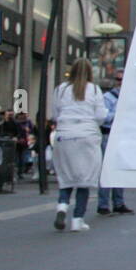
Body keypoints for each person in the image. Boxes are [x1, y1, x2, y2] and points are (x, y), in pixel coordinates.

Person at [50, 58, 107, 232]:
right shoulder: (95, 90)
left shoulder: (61, 89)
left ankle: (62, 206)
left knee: (66, 178)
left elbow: (55, 114)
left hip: (64, 135)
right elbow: (100, 116)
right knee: (85, 180)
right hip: (87, 135)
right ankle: (77, 219)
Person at [97, 70, 132, 216]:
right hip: (109, 134)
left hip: (123, 135)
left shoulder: (130, 97)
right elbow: (103, 117)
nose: (121, 82)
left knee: (120, 169)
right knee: (107, 169)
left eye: (123, 80)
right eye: (118, 80)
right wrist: (118, 113)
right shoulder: (107, 97)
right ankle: (103, 204)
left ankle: (119, 202)